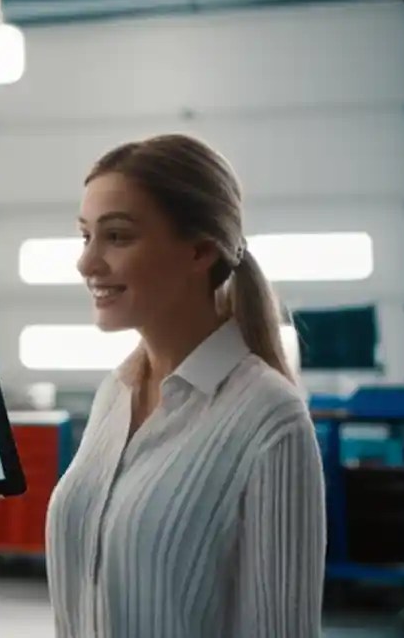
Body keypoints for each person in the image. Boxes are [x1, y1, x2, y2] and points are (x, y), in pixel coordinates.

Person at [45, 134, 326, 637]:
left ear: (200, 250)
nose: (87, 263)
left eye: (117, 236)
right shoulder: (115, 394)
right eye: (85, 236)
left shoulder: (269, 417)